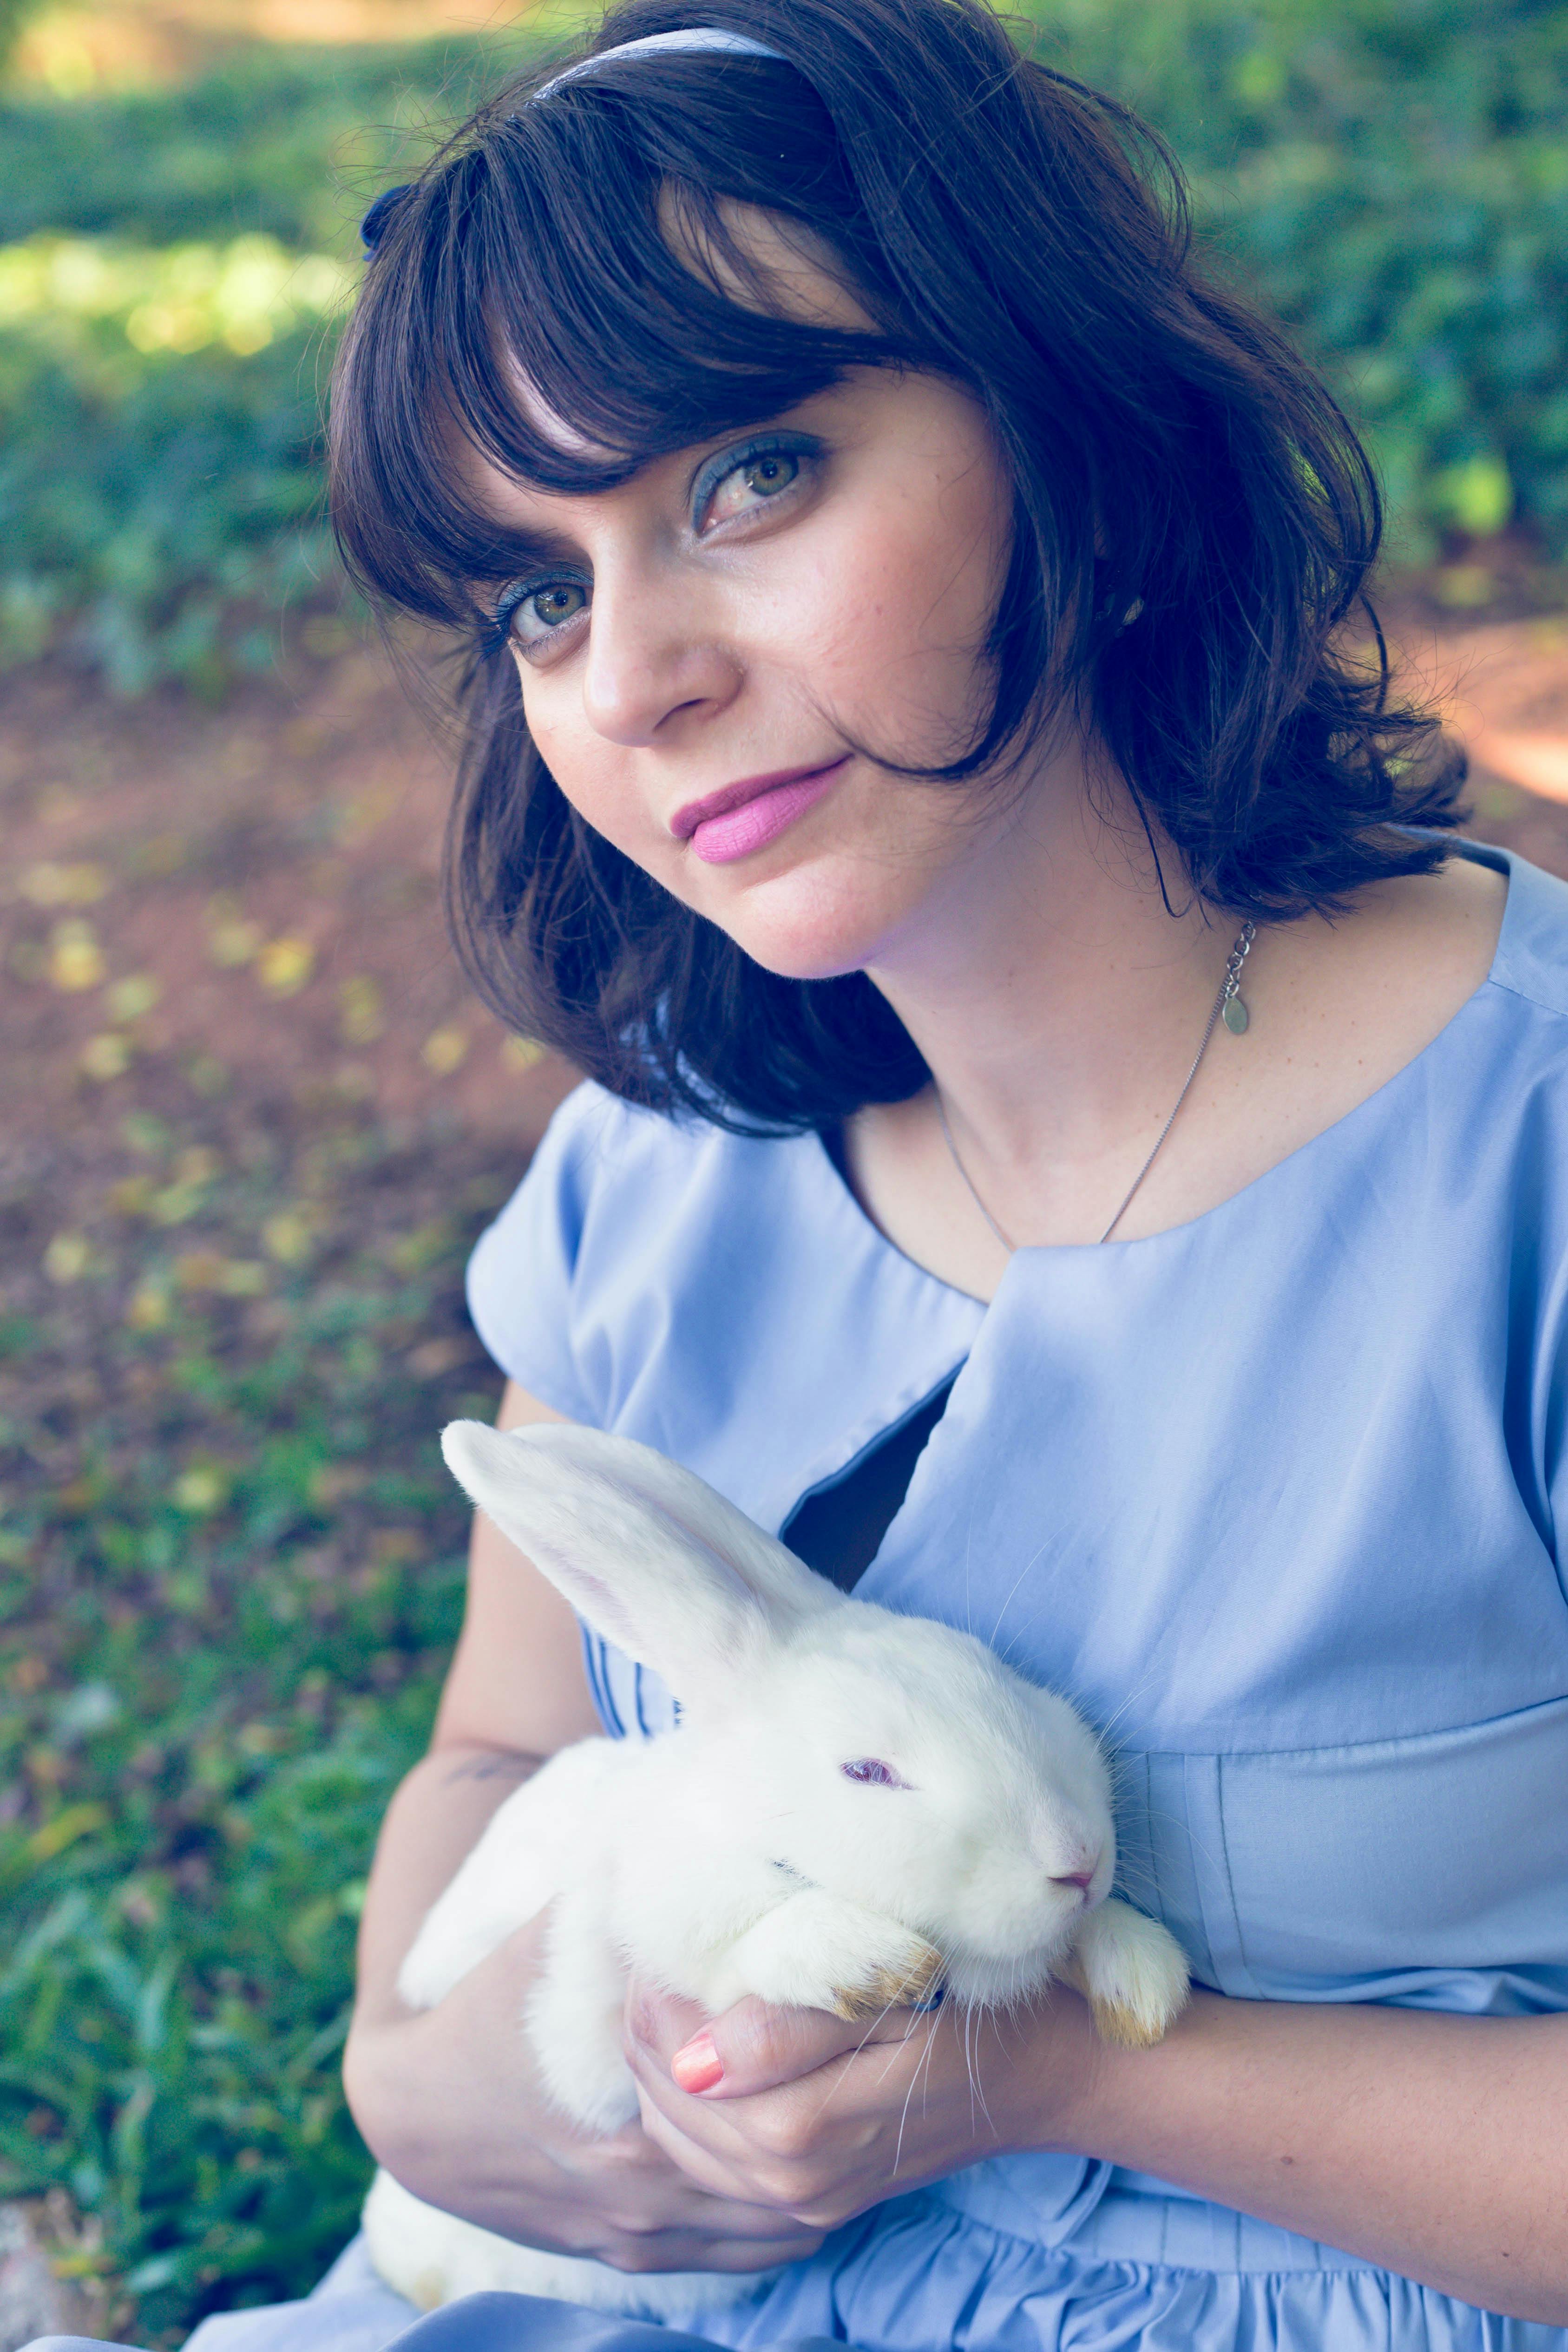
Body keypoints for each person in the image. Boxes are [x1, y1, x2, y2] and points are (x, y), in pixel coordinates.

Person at [33, 5, 1568, 2351]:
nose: (629, 675)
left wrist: (1051, 2077)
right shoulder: (656, 1182)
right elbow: (503, 1755)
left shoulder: (1523, 1159)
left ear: (1072, 436)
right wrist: (446, 2088)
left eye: (747, 478)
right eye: (536, 593)